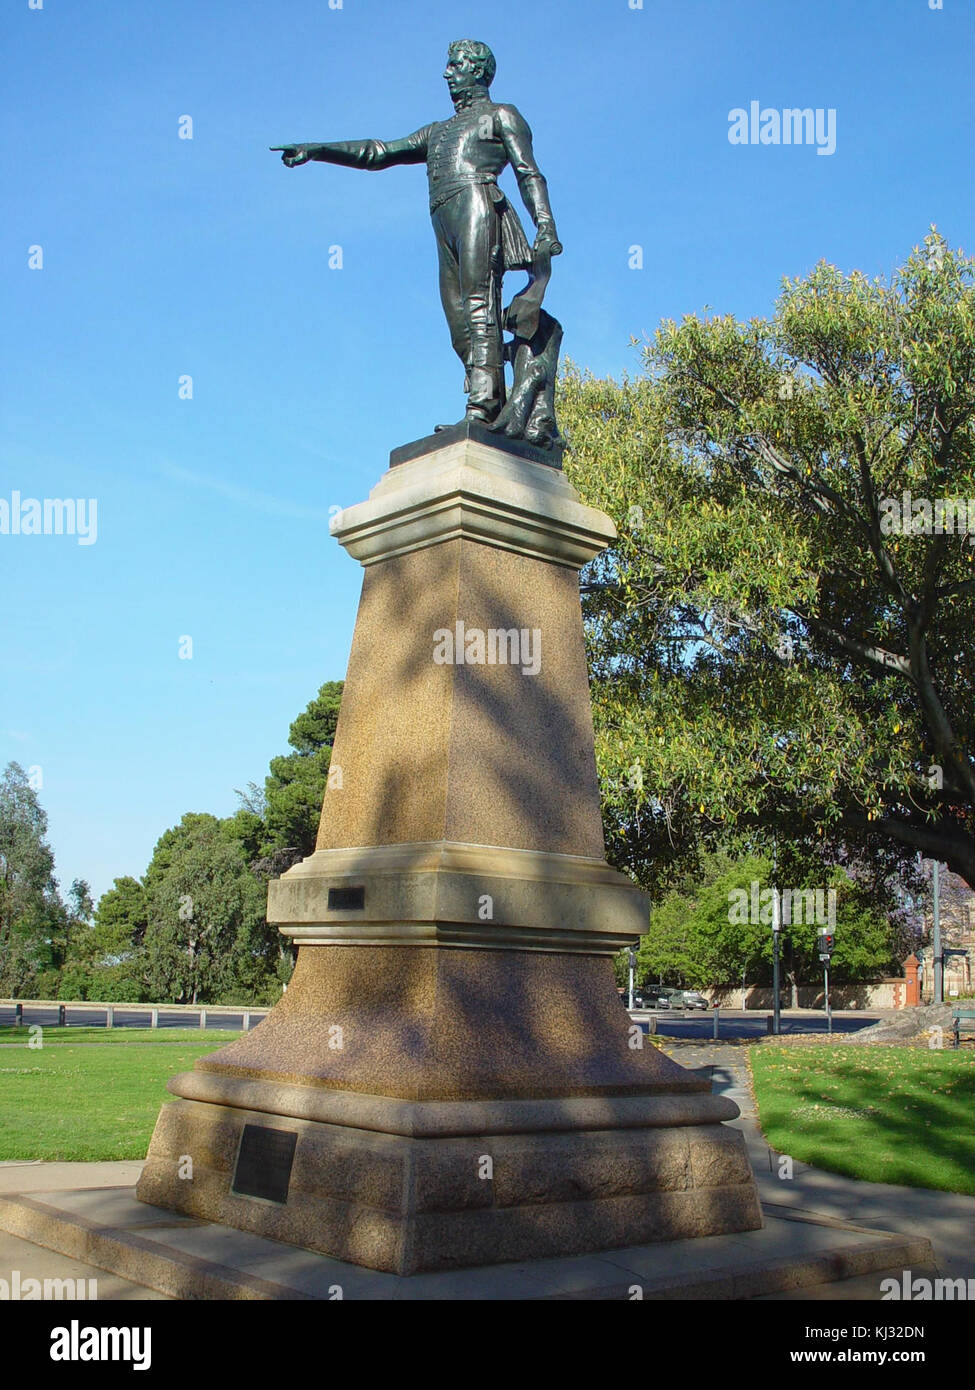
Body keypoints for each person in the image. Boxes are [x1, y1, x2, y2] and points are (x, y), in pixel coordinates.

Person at [272, 39, 562, 428]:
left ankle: (482, 408)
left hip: (477, 203)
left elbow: (529, 174)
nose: (447, 73)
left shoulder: (501, 115)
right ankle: (492, 395)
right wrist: (320, 149)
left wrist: (545, 224)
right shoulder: (437, 132)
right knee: (458, 322)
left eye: (455, 65)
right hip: (444, 218)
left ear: (477, 70)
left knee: (479, 307)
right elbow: (379, 152)